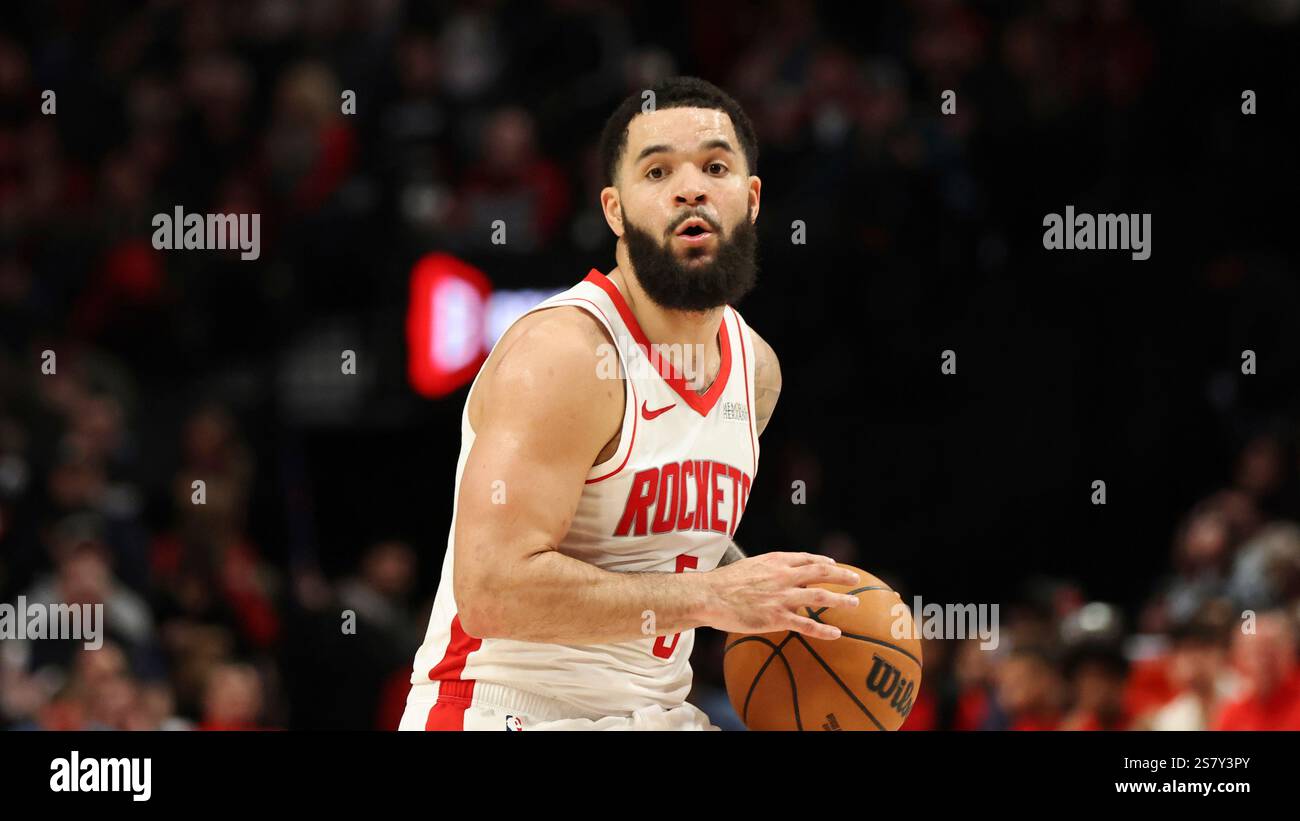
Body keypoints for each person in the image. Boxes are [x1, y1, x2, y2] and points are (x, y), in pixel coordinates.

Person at [399, 77, 859, 731]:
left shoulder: (756, 371)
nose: (691, 186)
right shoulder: (562, 353)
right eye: (658, 169)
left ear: (751, 199)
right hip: (503, 709)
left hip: (652, 712)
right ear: (614, 210)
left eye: (716, 166)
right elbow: (492, 590)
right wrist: (714, 596)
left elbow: (667, 548)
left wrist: (782, 601)